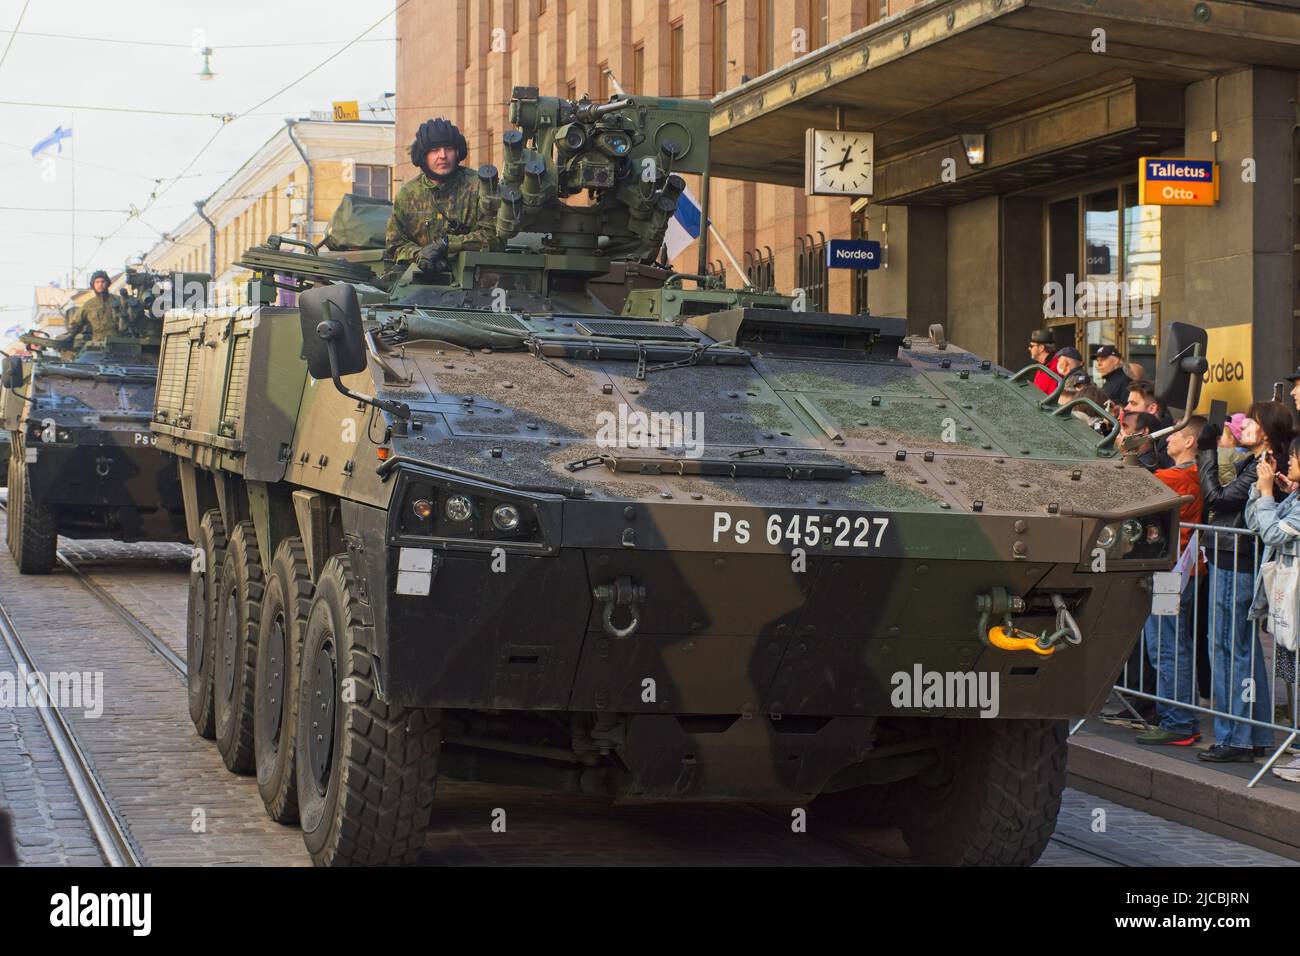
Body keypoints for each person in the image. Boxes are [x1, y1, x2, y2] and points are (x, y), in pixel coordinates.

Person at [1196, 401, 1292, 762]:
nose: (1243, 426)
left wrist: (1206, 453)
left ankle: (1234, 736)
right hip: (1230, 557)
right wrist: (1218, 449)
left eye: (1251, 421)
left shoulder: (1265, 465)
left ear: (1266, 429)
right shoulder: (1252, 462)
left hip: (1237, 561)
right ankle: (1252, 735)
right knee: (1239, 649)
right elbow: (1220, 491)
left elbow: (1216, 497)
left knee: (1228, 648)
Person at [1137, 417, 1206, 746]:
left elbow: (1142, 486)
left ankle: (1176, 720)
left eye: (1174, 435)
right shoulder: (1191, 473)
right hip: (1182, 570)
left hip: (1171, 572)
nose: (1168, 440)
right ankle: (1182, 717)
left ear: (1190, 441)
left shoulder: (1177, 476)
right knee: (1173, 645)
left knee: (1165, 647)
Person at [1246, 435, 1300, 781]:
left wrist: (1267, 494)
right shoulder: (1295, 496)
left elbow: (1272, 534)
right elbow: (1256, 523)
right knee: (1292, 672)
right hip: (1288, 602)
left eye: (1294, 456)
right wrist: (1261, 490)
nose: (1289, 461)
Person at [385, 118, 496, 274]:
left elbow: (493, 238)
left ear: (458, 152)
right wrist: (419, 255)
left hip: (475, 278)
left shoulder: (478, 186)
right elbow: (395, 246)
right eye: (435, 150)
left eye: (449, 149)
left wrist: (447, 244)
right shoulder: (408, 194)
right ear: (423, 156)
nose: (443, 155)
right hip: (421, 279)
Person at [56, 270, 123, 352]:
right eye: (97, 282)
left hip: (119, 344)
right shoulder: (88, 305)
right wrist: (71, 337)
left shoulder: (118, 300)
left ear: (107, 283)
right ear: (93, 285)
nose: (100, 284)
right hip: (97, 346)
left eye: (103, 282)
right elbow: (76, 324)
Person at [1028, 330, 1062, 394]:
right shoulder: (1042, 366)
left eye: (1031, 346)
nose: (1029, 348)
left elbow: (1051, 395)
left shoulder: (1057, 366)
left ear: (1041, 348)